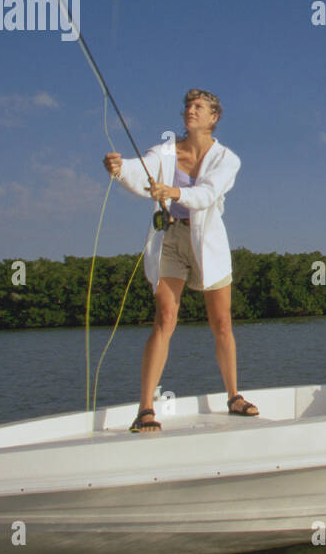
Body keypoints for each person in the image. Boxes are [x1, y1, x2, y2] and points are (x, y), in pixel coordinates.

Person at [102, 88, 258, 432]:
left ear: (213, 117)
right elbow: (139, 171)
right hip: (170, 239)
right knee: (165, 318)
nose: (191, 110)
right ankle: (145, 408)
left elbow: (207, 194)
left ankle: (233, 396)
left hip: (208, 243)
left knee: (221, 323)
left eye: (199, 106)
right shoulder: (166, 150)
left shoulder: (228, 159)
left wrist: (173, 192)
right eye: (188, 105)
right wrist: (118, 167)